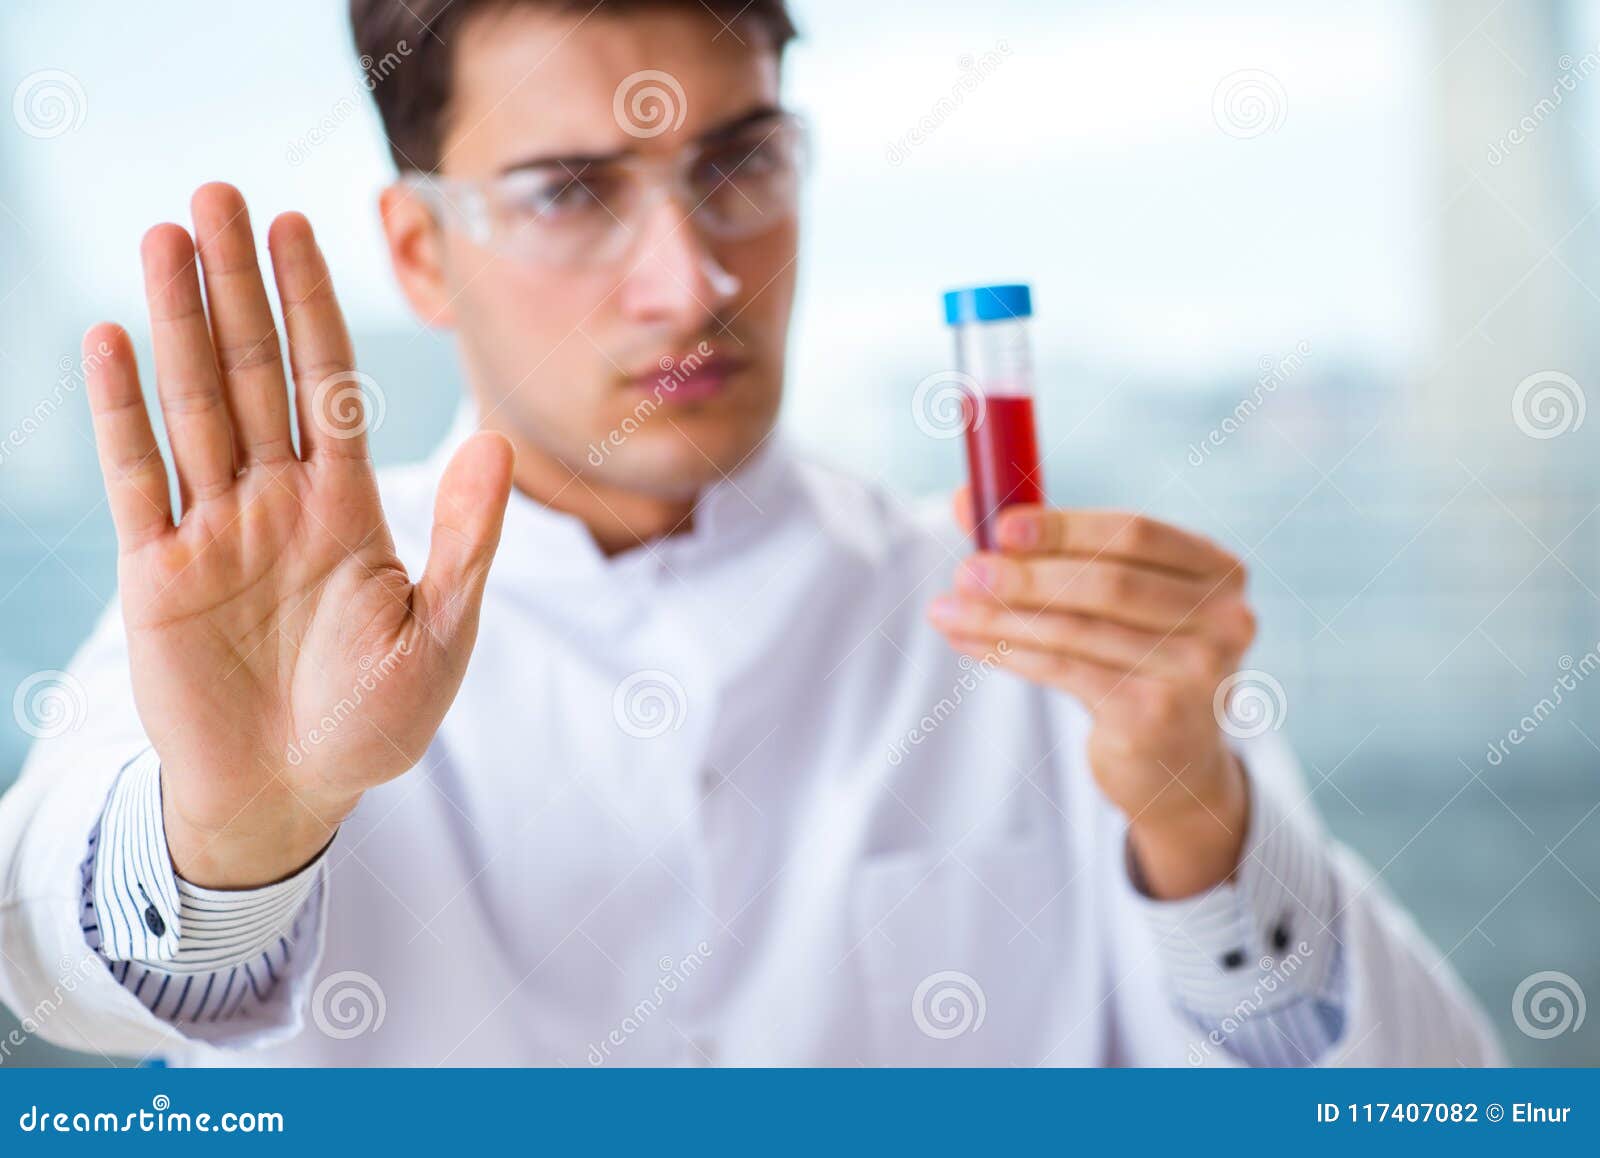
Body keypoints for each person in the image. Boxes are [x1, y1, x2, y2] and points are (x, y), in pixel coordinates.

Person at [0, 0, 1498, 1066]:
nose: (693, 277)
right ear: (419, 251)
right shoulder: (265, 608)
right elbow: (62, 967)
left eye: (738, 162)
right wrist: (241, 839)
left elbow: (1431, 1104)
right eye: (572, 191)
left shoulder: (1042, 632)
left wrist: (1200, 827)